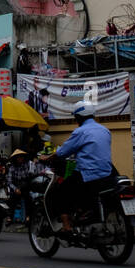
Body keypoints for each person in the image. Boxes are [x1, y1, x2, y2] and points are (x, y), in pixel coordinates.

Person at [48, 101, 113, 237]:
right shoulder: (105, 130)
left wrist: (48, 157)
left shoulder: (80, 132)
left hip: (88, 174)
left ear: (78, 117)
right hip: (107, 173)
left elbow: (63, 152)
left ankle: (66, 227)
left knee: (59, 192)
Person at [6, 149, 36, 225]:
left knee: (28, 198)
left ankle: (28, 217)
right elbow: (9, 181)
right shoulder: (12, 168)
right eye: (18, 157)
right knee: (12, 199)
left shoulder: (27, 165)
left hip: (25, 185)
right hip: (16, 186)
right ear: (15, 158)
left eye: (21, 157)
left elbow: (31, 176)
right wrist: (15, 189)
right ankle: (10, 217)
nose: (20, 159)